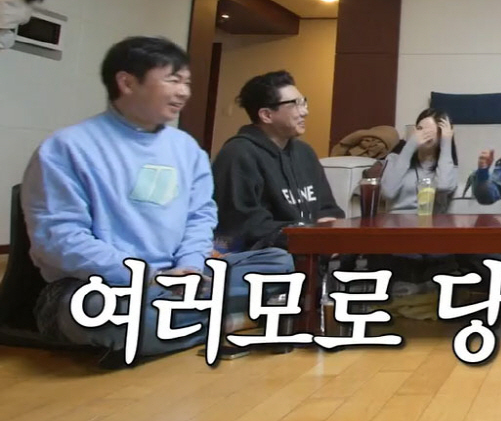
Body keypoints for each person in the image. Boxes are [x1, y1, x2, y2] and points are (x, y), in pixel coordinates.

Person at [21, 37, 293, 365]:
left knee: (279, 264)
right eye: (173, 80)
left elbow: (200, 217)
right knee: (100, 311)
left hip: (182, 279)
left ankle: (183, 322)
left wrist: (190, 267)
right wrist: (150, 276)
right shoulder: (67, 148)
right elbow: (59, 241)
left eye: (187, 83)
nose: (183, 92)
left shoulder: (186, 148)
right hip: (98, 286)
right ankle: (231, 320)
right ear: (127, 82)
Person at [212, 70, 344, 252]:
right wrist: (305, 234)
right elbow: (244, 224)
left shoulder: (304, 153)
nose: (305, 112)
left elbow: (328, 208)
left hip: (311, 251)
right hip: (266, 257)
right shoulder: (238, 154)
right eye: (295, 105)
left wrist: (328, 227)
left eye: (303, 102)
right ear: (266, 115)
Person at [379, 108, 458, 213]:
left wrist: (446, 143)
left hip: (430, 221)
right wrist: (410, 146)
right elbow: (388, 193)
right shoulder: (394, 159)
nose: (423, 134)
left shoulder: (446, 165)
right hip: (396, 219)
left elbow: (443, 187)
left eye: (430, 131)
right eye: (419, 129)